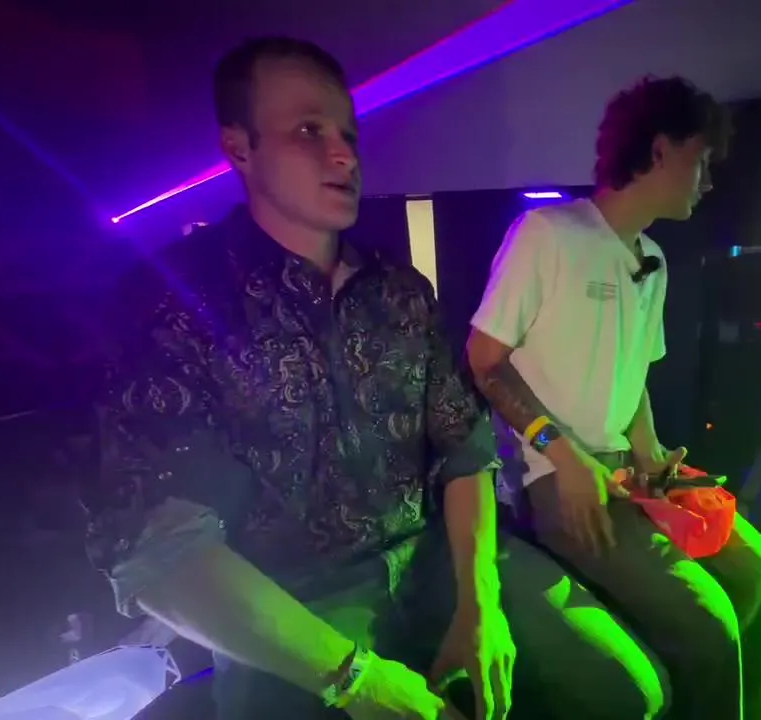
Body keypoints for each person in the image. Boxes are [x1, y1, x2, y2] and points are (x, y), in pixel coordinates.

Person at [79, 37, 666, 720]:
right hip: (293, 600)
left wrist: (480, 605)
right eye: (309, 131)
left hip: (439, 560)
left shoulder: (401, 292)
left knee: (628, 692)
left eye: (348, 136)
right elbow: (158, 548)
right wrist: (355, 681)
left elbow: (464, 450)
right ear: (239, 147)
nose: (344, 156)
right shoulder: (172, 300)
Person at [466, 76, 761, 720]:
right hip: (554, 476)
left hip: (622, 471)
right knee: (710, 625)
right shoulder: (547, 232)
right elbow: (484, 361)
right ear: (660, 151)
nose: (708, 182)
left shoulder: (654, 260)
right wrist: (565, 456)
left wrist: (652, 454)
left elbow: (632, 374)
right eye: (701, 162)